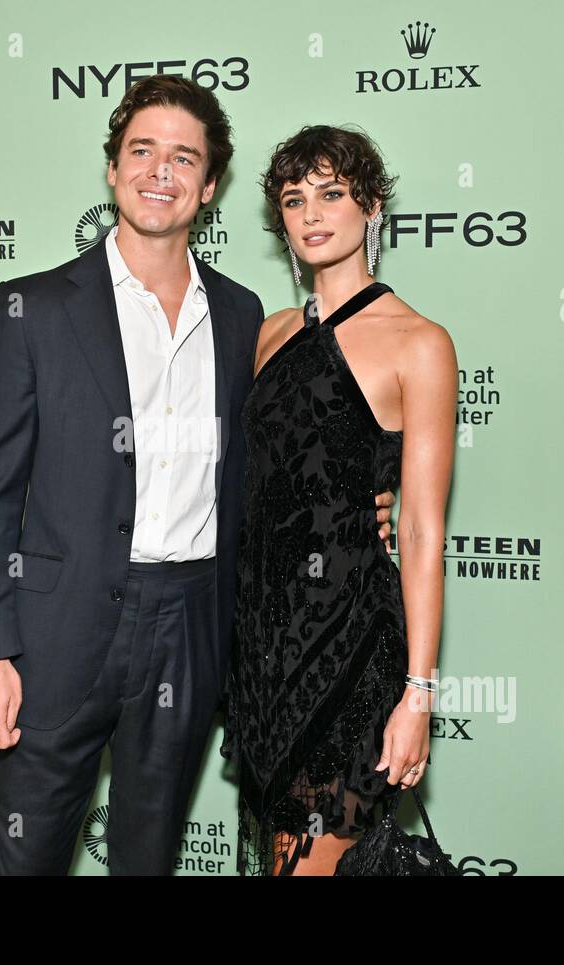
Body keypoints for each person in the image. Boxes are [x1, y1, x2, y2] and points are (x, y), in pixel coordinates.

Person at [0, 76, 397, 875]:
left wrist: (366, 502)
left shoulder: (243, 318)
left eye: (183, 157)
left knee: (149, 860)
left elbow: (280, 460)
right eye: (143, 151)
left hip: (190, 628)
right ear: (114, 168)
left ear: (209, 184)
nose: (160, 171)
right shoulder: (34, 308)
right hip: (56, 637)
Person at [220, 124, 458, 875]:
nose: (313, 213)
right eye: (294, 199)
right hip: (264, 647)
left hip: (353, 642)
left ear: (372, 206)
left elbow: (419, 526)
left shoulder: (420, 342)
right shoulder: (270, 334)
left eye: (331, 193)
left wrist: (418, 692)